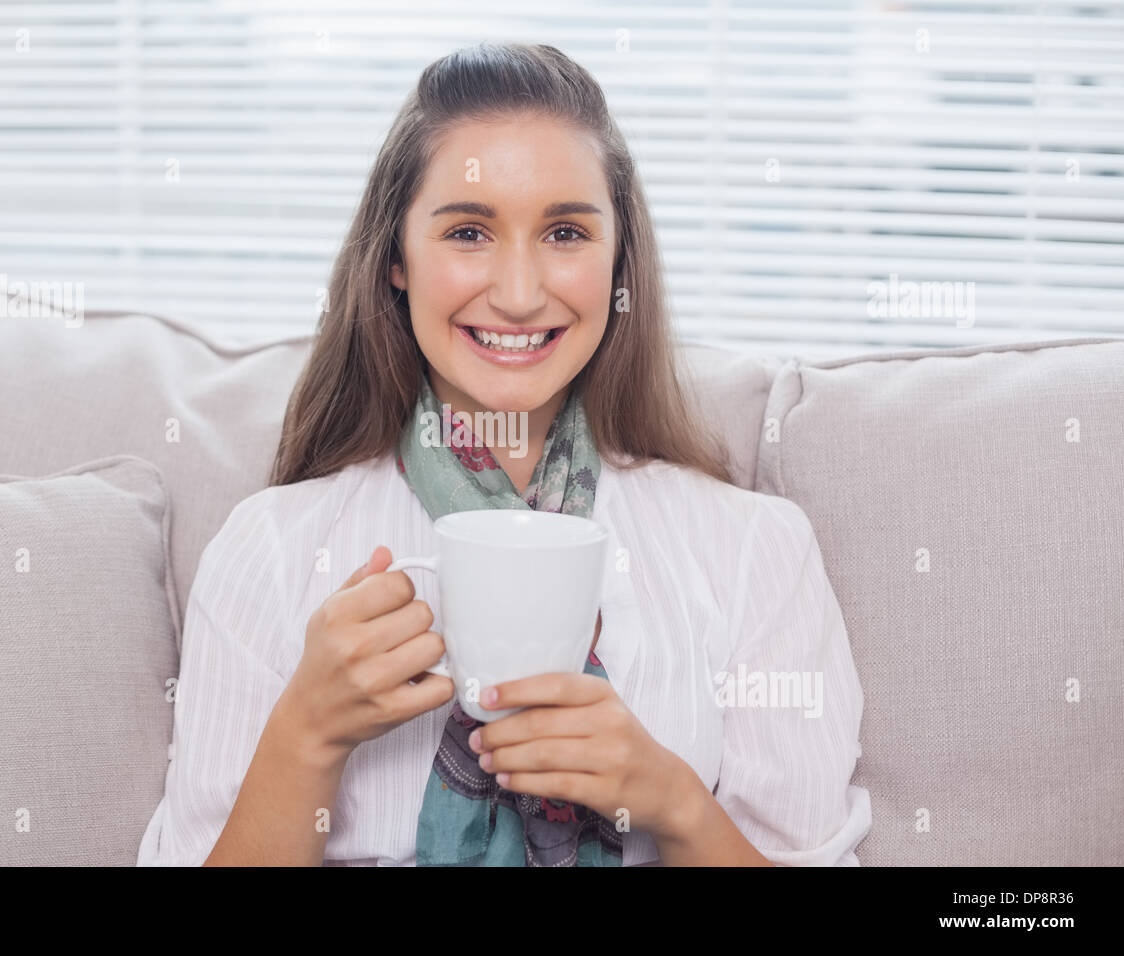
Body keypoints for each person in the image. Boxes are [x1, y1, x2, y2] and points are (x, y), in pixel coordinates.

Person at [137, 41, 871, 867]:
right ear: (395, 262)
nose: (519, 294)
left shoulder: (754, 553)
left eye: (564, 232)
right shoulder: (267, 552)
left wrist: (671, 801)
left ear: (619, 261)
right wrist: (306, 735)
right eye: (468, 232)